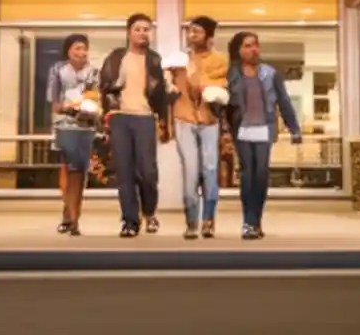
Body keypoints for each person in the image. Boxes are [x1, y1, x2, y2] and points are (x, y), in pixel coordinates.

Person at [226, 31, 303, 240]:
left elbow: (284, 102)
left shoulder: (270, 73)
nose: (254, 50)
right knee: (247, 174)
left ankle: (256, 221)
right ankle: (248, 222)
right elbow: (224, 105)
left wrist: (294, 128)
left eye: (256, 45)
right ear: (238, 50)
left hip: (264, 128)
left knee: (261, 176)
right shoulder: (231, 74)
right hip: (242, 129)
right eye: (248, 46)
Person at [98, 13, 169, 238]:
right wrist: (108, 112)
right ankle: (130, 220)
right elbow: (104, 86)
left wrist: (165, 118)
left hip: (145, 117)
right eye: (138, 29)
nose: (142, 33)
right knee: (124, 171)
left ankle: (149, 211)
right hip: (120, 116)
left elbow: (160, 94)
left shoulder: (155, 60)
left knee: (147, 171)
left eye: (146, 29)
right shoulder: (116, 57)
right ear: (129, 32)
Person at [169, 15, 229, 240]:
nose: (192, 36)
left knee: (211, 170)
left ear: (209, 36)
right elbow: (171, 87)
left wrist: (194, 70)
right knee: (190, 171)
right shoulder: (178, 60)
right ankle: (192, 221)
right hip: (183, 118)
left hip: (209, 120)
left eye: (197, 32)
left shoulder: (219, 59)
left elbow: (213, 85)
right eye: (190, 31)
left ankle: (209, 220)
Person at [46, 33, 99, 236]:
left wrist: (89, 109)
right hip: (64, 125)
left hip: (86, 127)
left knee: (80, 171)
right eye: (77, 48)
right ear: (68, 51)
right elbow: (55, 102)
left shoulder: (93, 72)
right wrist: (69, 109)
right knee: (69, 170)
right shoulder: (57, 70)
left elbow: (94, 97)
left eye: (84, 48)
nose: (82, 52)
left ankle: (72, 216)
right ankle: (70, 215)